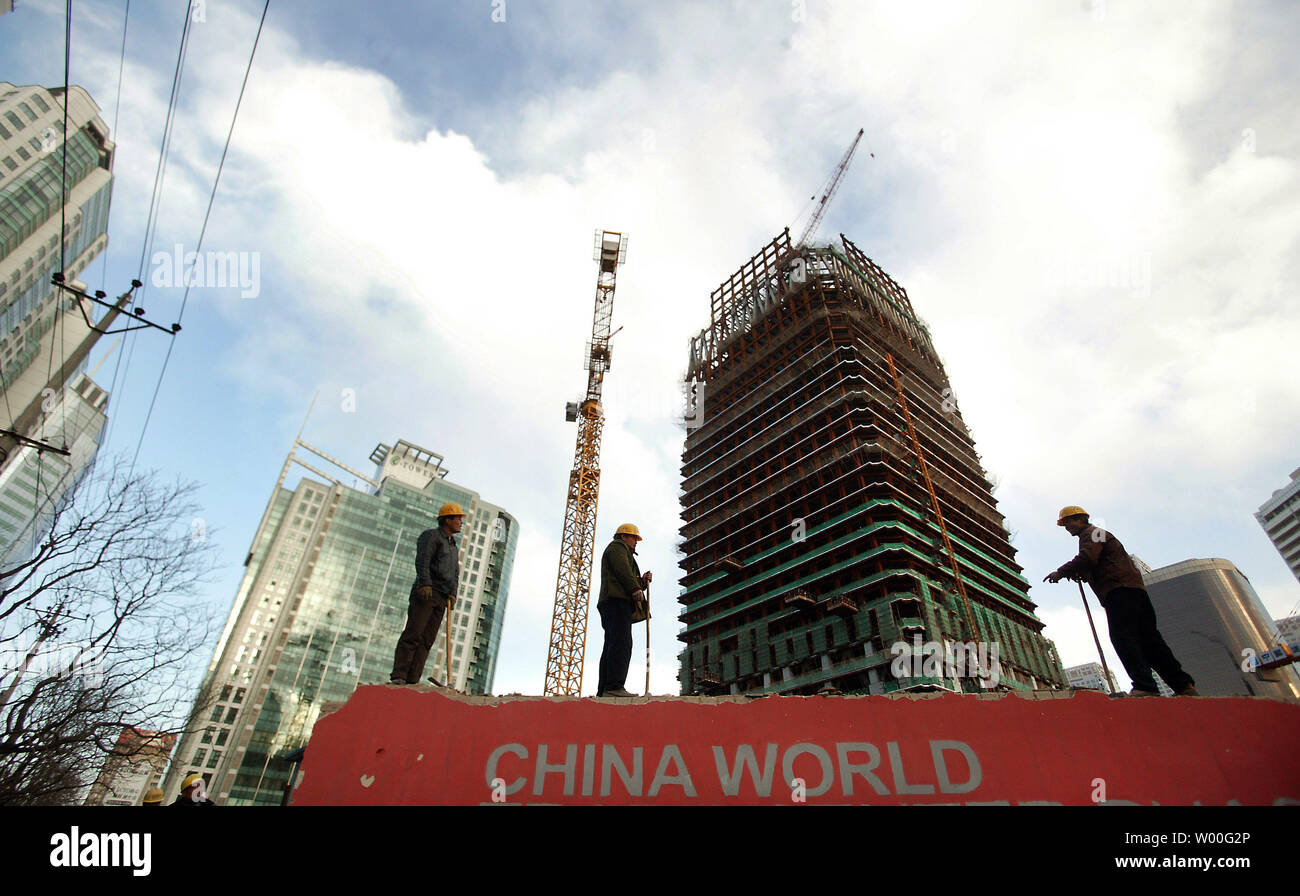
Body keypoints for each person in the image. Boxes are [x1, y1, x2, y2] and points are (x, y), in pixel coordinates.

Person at [1044, 505, 1197, 697]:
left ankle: (1145, 686)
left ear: (1080, 519)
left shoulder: (1094, 532)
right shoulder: (1098, 534)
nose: (1067, 528)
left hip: (1119, 590)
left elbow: (1089, 557)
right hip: (1135, 591)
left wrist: (1062, 571)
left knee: (1123, 637)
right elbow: (1097, 561)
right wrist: (1083, 572)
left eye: (1068, 523)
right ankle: (1183, 685)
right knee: (1150, 640)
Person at [391, 502, 464, 687]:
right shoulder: (431, 536)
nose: (460, 522)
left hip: (442, 597)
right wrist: (424, 583)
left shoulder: (453, 547)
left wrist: (453, 594)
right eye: (458, 518)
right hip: (427, 592)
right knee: (414, 633)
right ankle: (399, 675)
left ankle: (412, 680)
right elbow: (423, 560)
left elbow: (455, 573)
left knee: (427, 640)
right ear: (447, 519)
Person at [596, 523, 652, 698]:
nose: (636, 541)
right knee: (621, 643)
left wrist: (641, 583)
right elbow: (622, 569)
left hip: (613, 601)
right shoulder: (618, 548)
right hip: (616, 601)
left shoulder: (621, 551)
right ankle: (614, 685)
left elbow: (623, 574)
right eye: (633, 537)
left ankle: (606, 689)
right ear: (623, 537)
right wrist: (635, 588)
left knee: (612, 644)